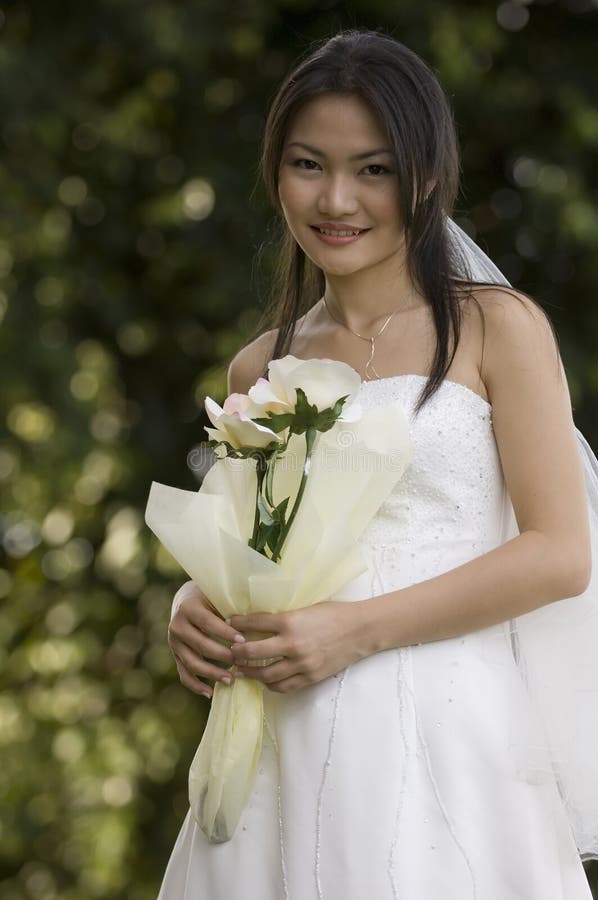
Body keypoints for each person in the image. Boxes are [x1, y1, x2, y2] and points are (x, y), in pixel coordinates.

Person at [158, 29, 598, 899]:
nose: (336, 199)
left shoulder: (497, 329)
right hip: (284, 741)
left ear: (425, 176)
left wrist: (354, 630)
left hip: (452, 732)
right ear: (275, 172)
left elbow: (559, 554)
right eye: (308, 164)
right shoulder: (259, 369)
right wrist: (193, 604)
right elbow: (254, 558)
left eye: (374, 169)